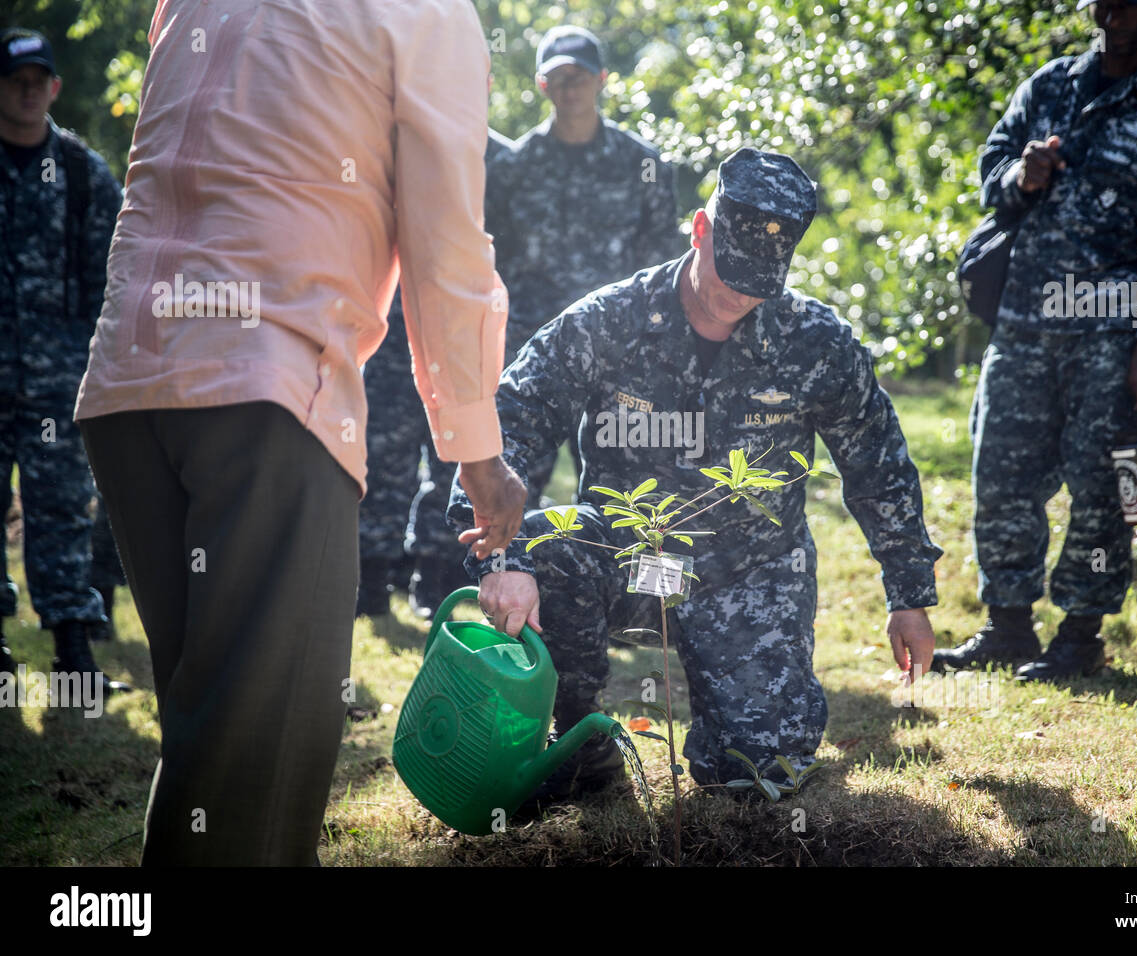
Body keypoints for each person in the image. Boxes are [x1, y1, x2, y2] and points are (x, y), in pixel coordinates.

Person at [73, 0, 525, 866]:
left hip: (128, 390)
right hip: (267, 397)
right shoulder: (425, 13)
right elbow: (447, 249)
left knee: (215, 738)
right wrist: (479, 454)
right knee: (259, 755)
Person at [451, 147, 942, 799]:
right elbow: (510, 420)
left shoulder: (814, 343)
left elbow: (877, 460)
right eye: (729, 273)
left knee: (757, 773)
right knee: (548, 548)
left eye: (758, 283)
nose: (737, 296)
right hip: (636, 556)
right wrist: (499, 558)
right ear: (700, 229)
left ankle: (742, 743)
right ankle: (578, 744)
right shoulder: (610, 320)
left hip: (750, 573)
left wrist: (908, 594)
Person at [934, 0, 1137, 680]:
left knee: (1110, 484)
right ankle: (1007, 627)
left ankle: (1081, 638)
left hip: (1115, 333)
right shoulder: (1050, 85)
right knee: (999, 473)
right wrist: (1019, 175)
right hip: (1025, 321)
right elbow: (992, 166)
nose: (1111, 9)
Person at [487, 25, 681, 504]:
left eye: (580, 76)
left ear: (602, 80)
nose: (570, 88)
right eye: (560, 78)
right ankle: (513, 577)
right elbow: (491, 260)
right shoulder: (514, 167)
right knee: (516, 482)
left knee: (623, 494)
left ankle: (612, 581)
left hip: (619, 351)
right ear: (542, 85)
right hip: (529, 350)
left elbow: (663, 261)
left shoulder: (642, 164)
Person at [0, 28, 128, 692]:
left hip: (57, 383)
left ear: (53, 87)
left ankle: (74, 657)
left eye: (37, 81)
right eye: (15, 80)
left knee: (58, 507)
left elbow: (118, 275)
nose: (27, 92)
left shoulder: (80, 172)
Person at [356, 127, 516, 619]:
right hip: (391, 332)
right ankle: (372, 578)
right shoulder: (393, 142)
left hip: (460, 336)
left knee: (455, 463)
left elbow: (510, 252)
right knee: (383, 457)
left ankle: (434, 577)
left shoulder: (505, 163)